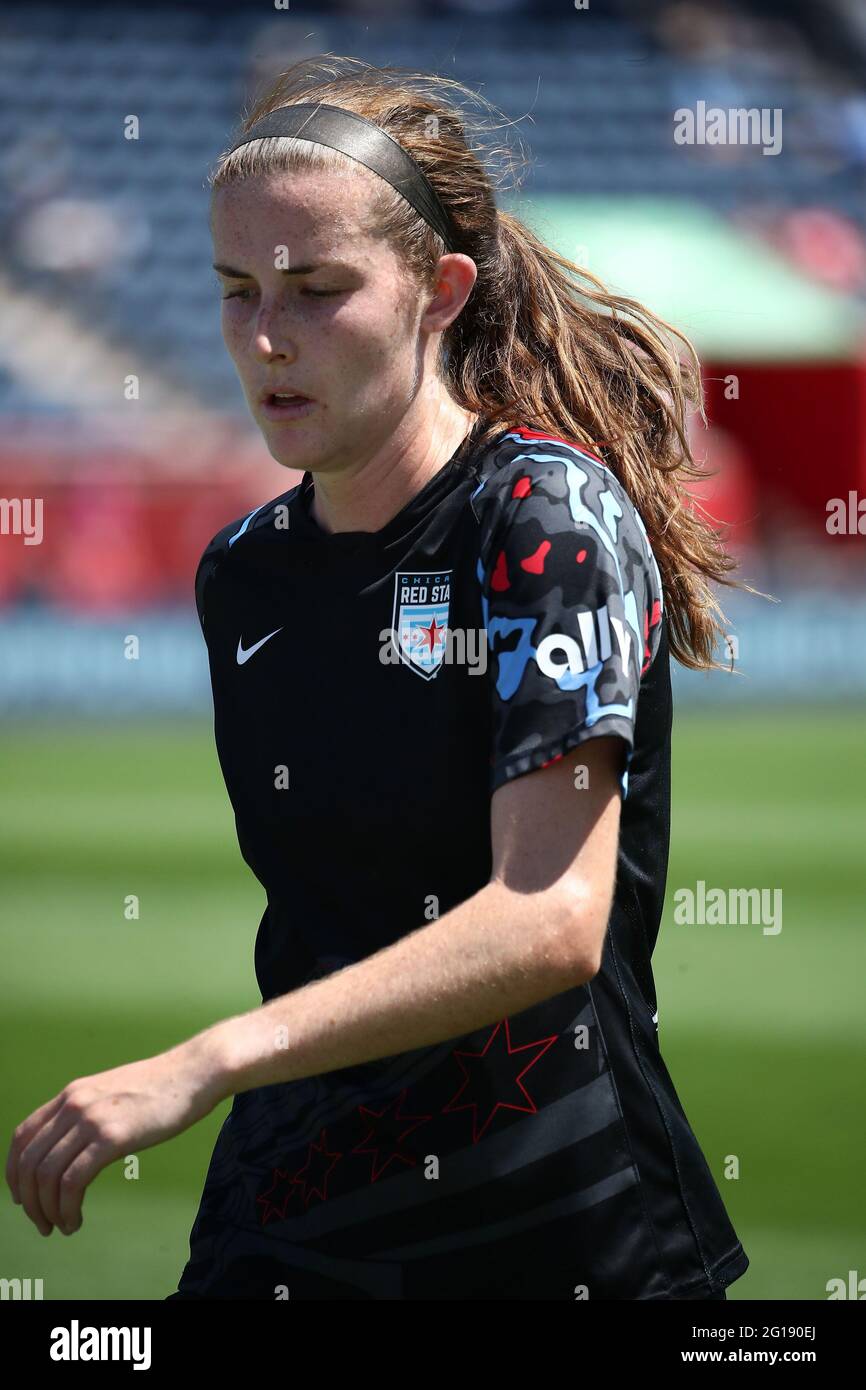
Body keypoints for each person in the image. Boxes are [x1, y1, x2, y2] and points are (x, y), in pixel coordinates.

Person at [5, 56, 749, 1301]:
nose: (264, 338)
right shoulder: (240, 572)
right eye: (235, 292)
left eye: (316, 290)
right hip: (291, 1216)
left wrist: (204, 1060)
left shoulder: (543, 516)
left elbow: (549, 918)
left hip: (558, 1227)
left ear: (438, 292)